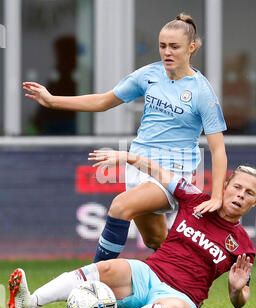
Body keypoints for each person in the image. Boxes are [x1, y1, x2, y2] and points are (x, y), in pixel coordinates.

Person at [23, 13, 227, 262]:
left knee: (120, 206)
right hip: (138, 164)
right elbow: (103, 100)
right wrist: (52, 101)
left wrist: (217, 197)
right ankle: (186, 280)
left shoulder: (202, 91)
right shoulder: (149, 75)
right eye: (162, 46)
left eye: (175, 47)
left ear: (191, 48)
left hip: (173, 171)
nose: (167, 52)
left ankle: (93, 283)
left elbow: (218, 151)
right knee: (155, 241)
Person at [6, 150, 256, 308]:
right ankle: (27, 302)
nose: (240, 195)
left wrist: (237, 290)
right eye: (237, 187)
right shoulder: (195, 198)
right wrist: (126, 156)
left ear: (254, 202)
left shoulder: (243, 247)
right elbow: (158, 171)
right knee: (104, 268)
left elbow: (239, 302)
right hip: (147, 275)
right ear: (225, 187)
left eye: (249, 193)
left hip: (182, 297)